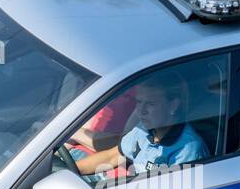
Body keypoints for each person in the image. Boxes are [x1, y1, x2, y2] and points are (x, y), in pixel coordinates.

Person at [76, 72, 206, 177]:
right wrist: (71, 170)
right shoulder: (143, 129)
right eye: (139, 102)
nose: (141, 111)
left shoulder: (187, 150)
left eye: (150, 104)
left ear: (173, 105)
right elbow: (112, 157)